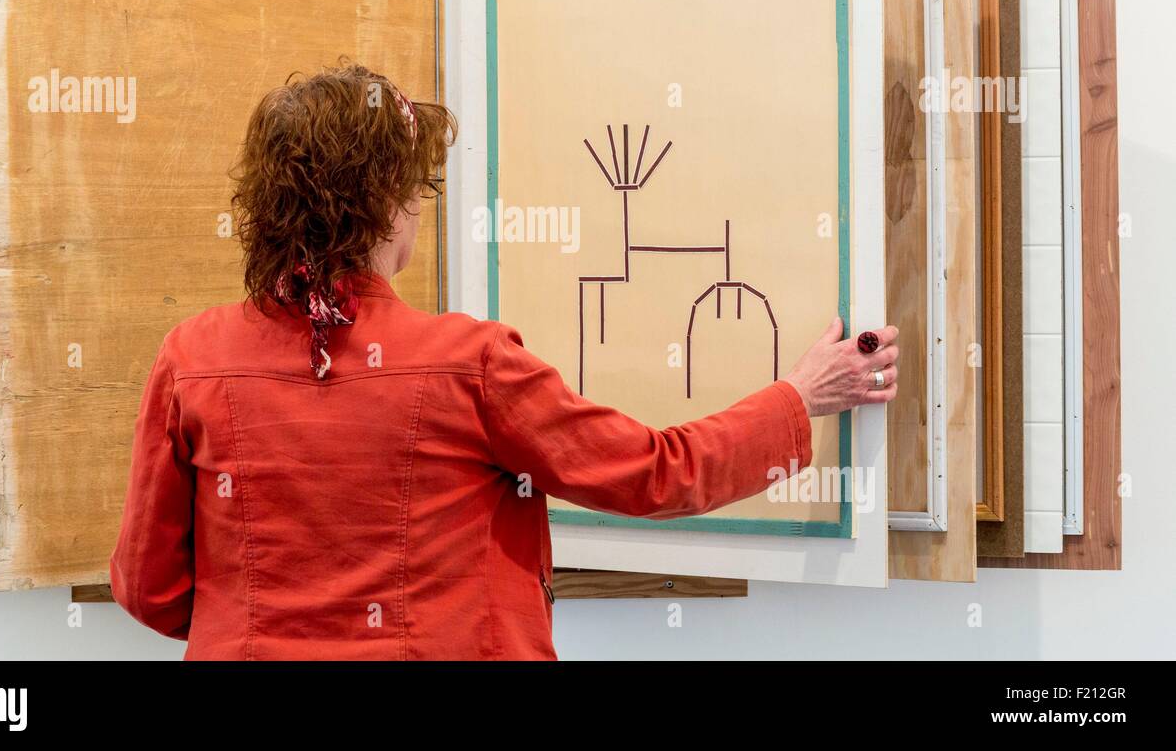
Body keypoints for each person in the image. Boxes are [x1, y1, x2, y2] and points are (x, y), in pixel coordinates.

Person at [110, 63, 898, 660]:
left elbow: (149, 588)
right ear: (388, 204)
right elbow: (657, 473)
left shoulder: (193, 361)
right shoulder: (470, 365)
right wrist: (801, 398)